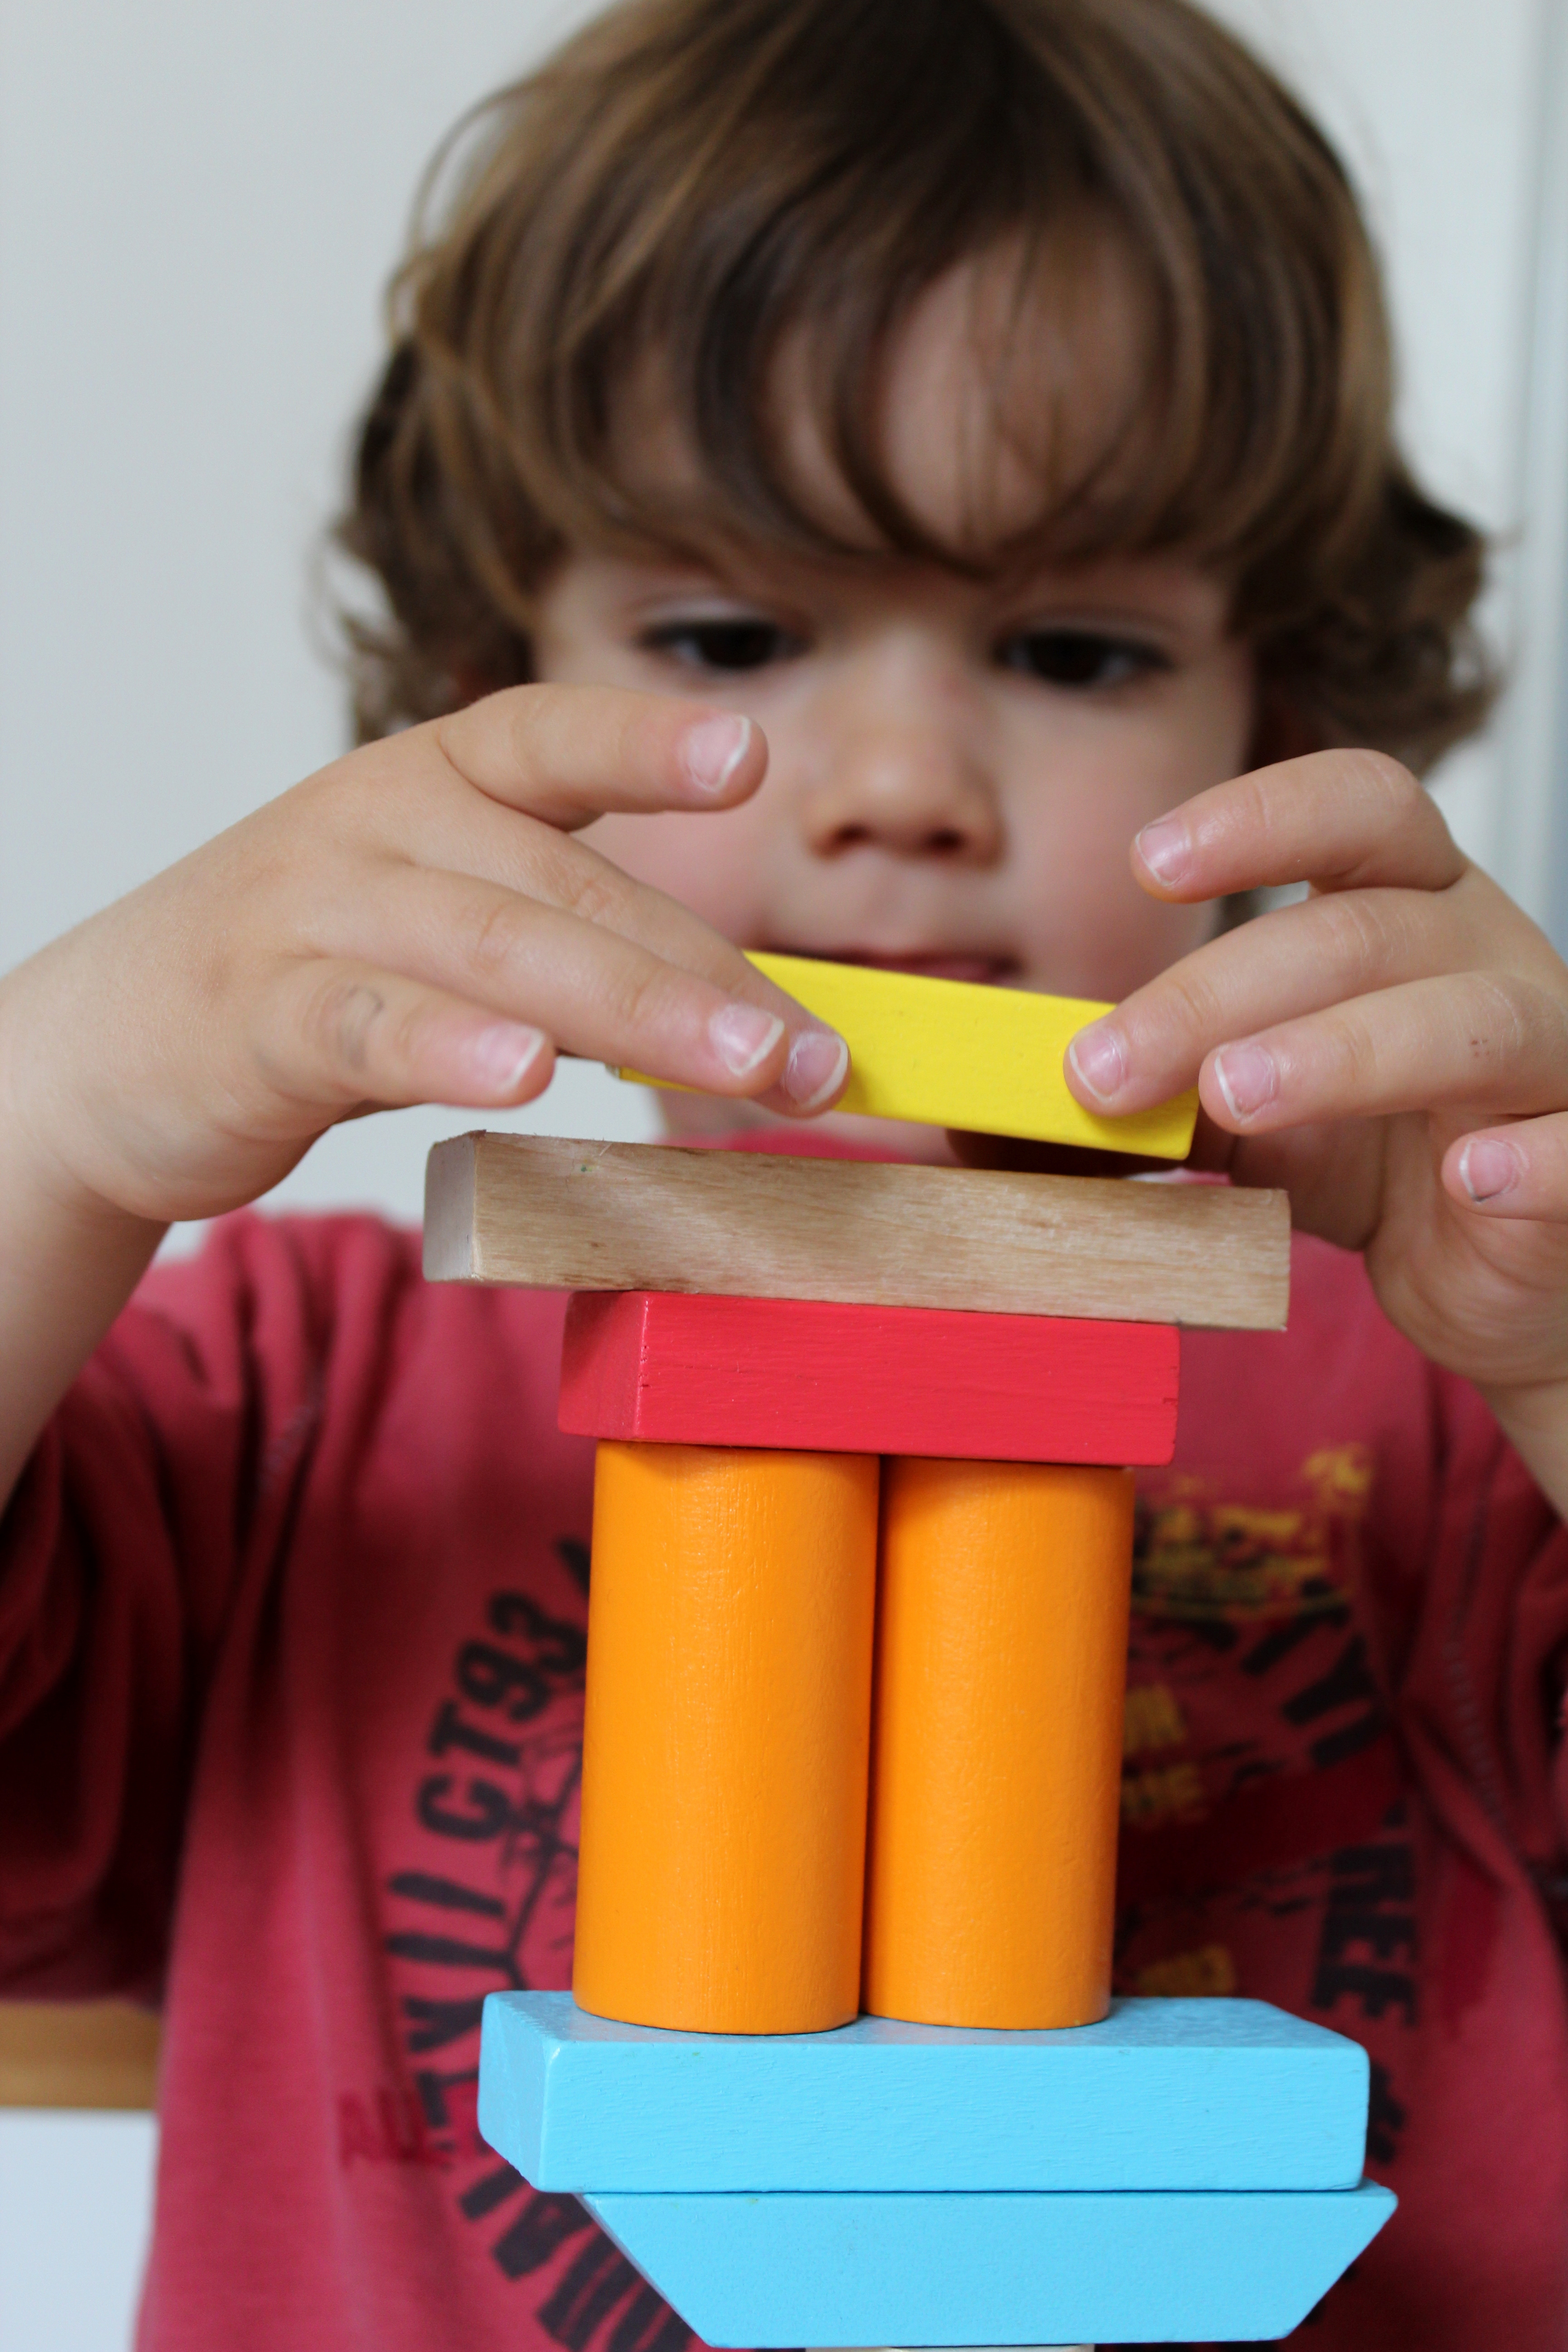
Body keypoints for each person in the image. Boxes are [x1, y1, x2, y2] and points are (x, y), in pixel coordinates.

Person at [2, 0, 1565, 2344]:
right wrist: (54, 1104)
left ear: (1285, 707)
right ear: (481, 695)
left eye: (1066, 641)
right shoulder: (282, 1413)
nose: (898, 782)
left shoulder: (1456, 1414)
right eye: (730, 634)